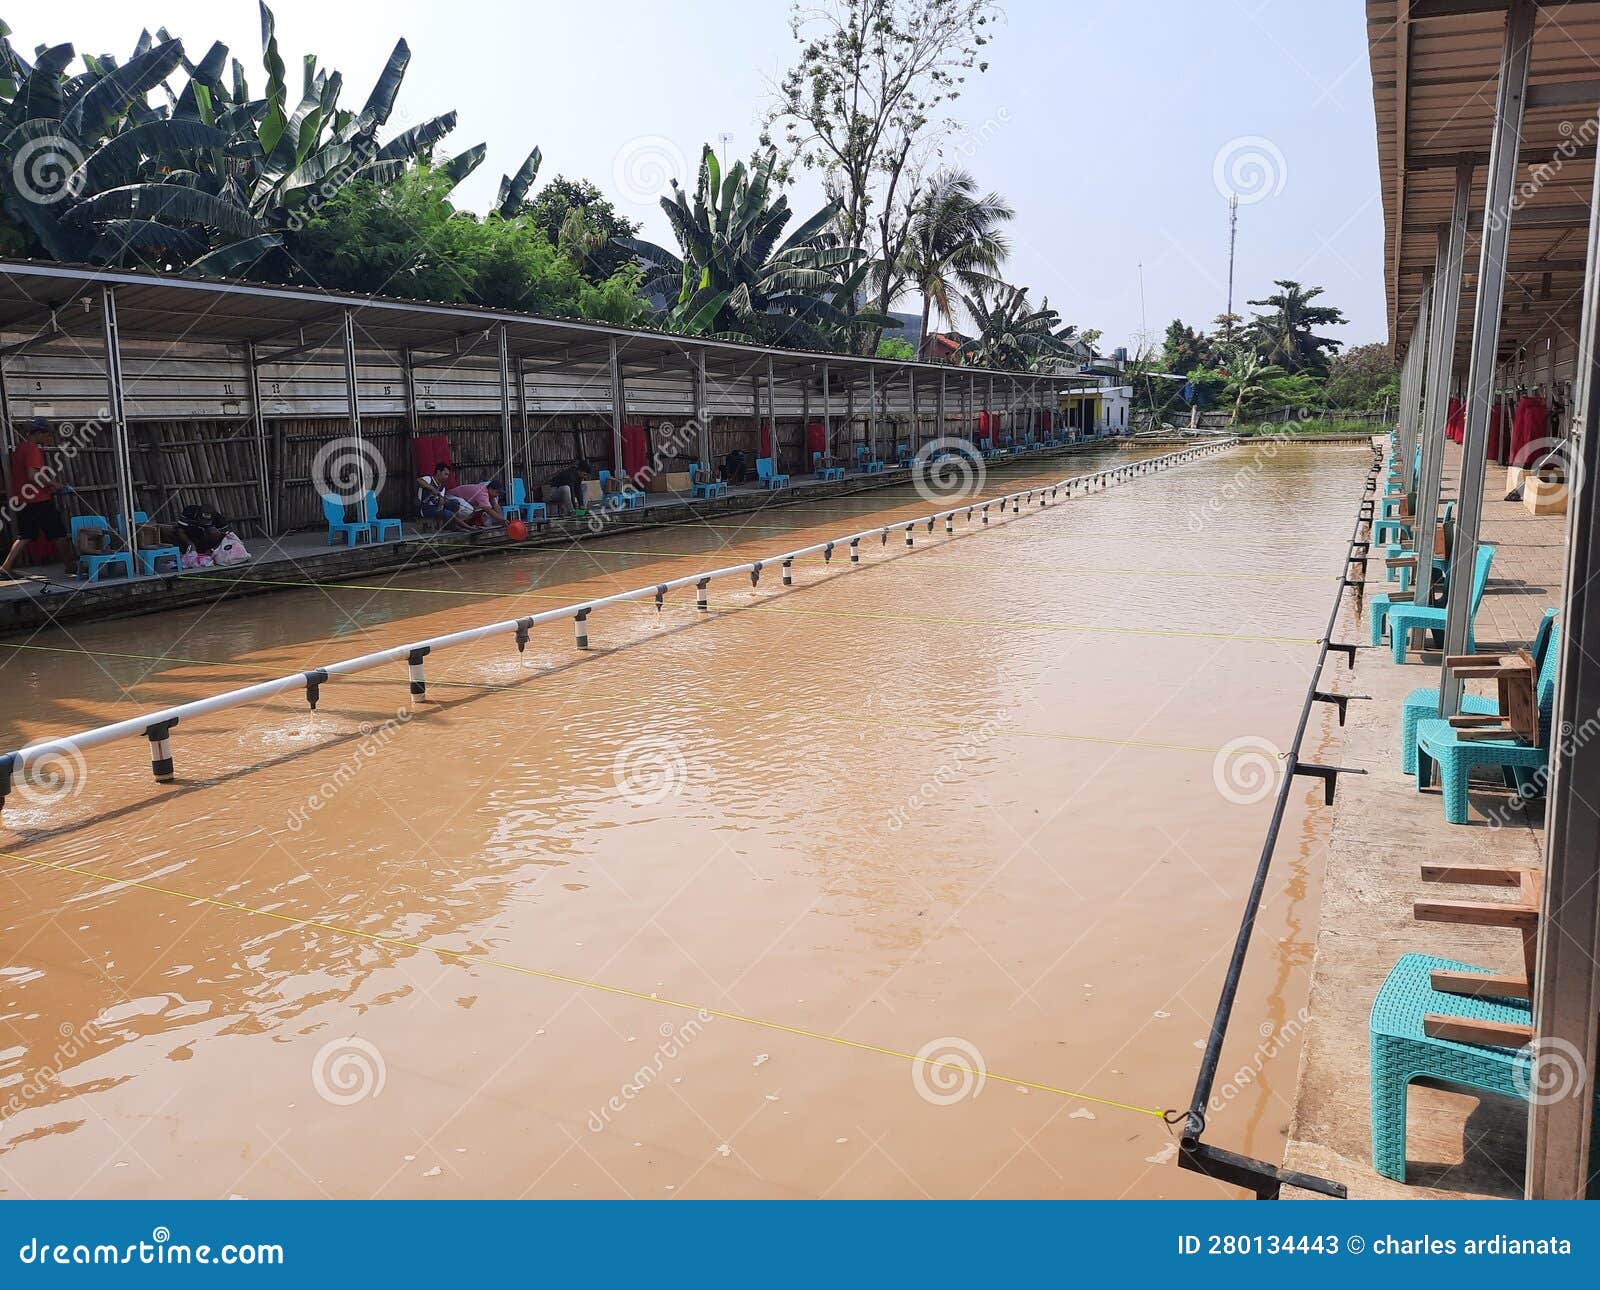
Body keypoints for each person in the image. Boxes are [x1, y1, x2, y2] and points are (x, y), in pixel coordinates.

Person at [1, 419, 75, 579]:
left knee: (25, 535)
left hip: (23, 500)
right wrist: (54, 484)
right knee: (59, 533)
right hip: (39, 500)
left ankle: (5, 566)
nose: (48, 439)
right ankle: (71, 567)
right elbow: (33, 476)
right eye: (47, 435)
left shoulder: (19, 450)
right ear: (38, 433)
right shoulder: (33, 450)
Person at [417, 463, 474, 531]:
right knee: (448, 513)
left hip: (436, 508)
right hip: (425, 509)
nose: (447, 477)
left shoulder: (442, 487)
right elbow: (419, 480)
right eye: (445, 474)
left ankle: (451, 525)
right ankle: (465, 527)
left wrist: (441, 503)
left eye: (448, 475)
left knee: (455, 503)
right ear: (438, 472)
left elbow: (440, 505)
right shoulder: (429, 479)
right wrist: (432, 489)